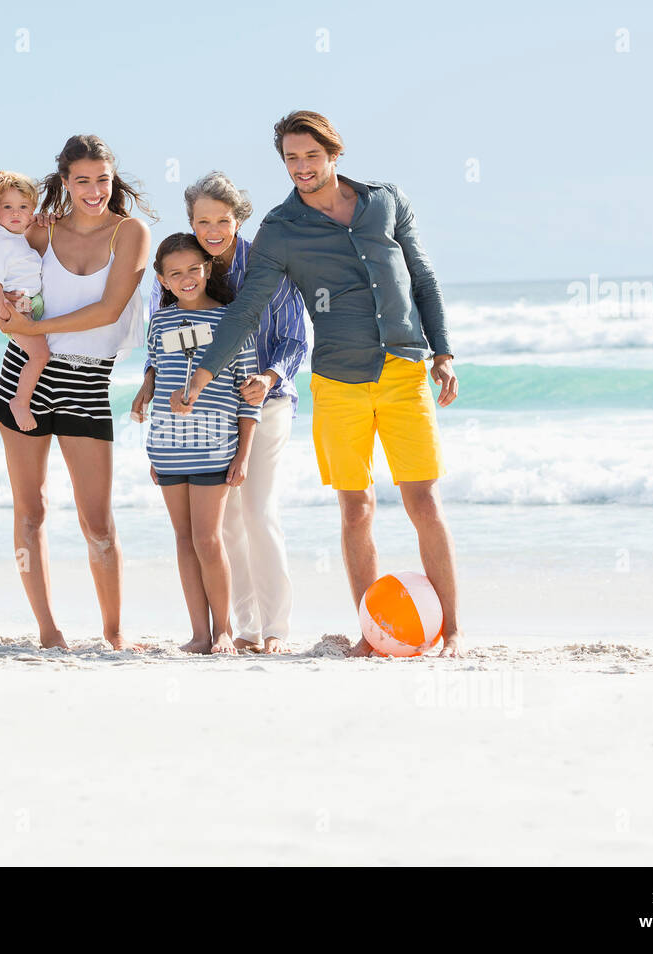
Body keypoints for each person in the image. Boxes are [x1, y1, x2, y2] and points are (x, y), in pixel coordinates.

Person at [180, 110, 465, 658]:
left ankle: (452, 631)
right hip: (337, 381)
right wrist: (204, 372)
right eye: (291, 158)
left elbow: (423, 279)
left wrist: (443, 352)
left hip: (404, 371)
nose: (301, 168)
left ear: (334, 153)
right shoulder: (280, 231)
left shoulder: (386, 201)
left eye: (311, 156)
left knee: (423, 501)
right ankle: (370, 632)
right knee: (355, 510)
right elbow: (244, 311)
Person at [0, 134, 152, 651]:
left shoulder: (131, 233)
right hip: (26, 375)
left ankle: (114, 633)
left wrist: (32, 329)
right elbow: (0, 268)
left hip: (86, 379)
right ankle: (48, 631)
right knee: (29, 510)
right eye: (82, 180)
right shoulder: (40, 231)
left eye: (102, 179)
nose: (94, 189)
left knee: (97, 521)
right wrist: (2, 310)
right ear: (64, 182)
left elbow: (107, 310)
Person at [132, 172, 307, 654]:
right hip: (197, 419)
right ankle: (240, 627)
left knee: (256, 510)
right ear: (191, 221)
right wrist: (148, 386)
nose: (213, 230)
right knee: (220, 527)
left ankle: (274, 628)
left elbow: (294, 337)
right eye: (202, 220)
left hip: (260, 402)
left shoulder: (266, 264)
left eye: (223, 220)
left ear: (238, 219)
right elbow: (159, 344)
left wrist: (268, 378)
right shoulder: (181, 266)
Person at [145, 234, 261, 655]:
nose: (186, 278)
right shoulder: (160, 322)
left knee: (209, 540)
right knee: (183, 539)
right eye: (174, 273)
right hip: (168, 448)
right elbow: (157, 372)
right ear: (162, 279)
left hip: (215, 447)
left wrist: (243, 455)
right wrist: (152, 446)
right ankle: (198, 633)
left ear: (207, 269)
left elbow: (249, 396)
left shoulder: (232, 322)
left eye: (193, 268)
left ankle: (224, 631)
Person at [0, 171, 49, 432]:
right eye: (7, 207)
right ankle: (20, 402)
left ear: (32, 210)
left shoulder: (18, 238)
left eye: (23, 207)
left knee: (39, 353)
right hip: (16, 309)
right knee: (40, 355)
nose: (15, 213)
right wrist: (4, 312)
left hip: (30, 305)